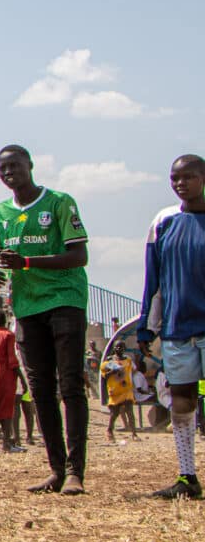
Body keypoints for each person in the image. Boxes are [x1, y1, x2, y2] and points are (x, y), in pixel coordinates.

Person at [0, 145, 91, 494]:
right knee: (41, 390)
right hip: (27, 308)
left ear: (30, 166)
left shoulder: (60, 202)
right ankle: (56, 470)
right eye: (3, 167)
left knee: (70, 385)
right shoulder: (0, 213)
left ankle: (76, 471)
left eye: (15, 165)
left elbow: (79, 256)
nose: (9, 172)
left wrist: (28, 264)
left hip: (64, 301)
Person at [140, 153, 205, 499]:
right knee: (181, 400)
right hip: (178, 328)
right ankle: (187, 476)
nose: (181, 184)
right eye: (175, 178)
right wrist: (146, 327)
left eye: (189, 177)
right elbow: (154, 280)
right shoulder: (164, 222)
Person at [101, 348, 139, 443]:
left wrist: (126, 378)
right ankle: (109, 431)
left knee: (130, 412)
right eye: (118, 347)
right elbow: (104, 375)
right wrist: (113, 372)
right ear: (114, 348)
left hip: (126, 389)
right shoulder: (109, 360)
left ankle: (134, 434)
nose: (120, 349)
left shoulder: (127, 360)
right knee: (115, 413)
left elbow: (133, 369)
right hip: (115, 390)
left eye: (122, 347)